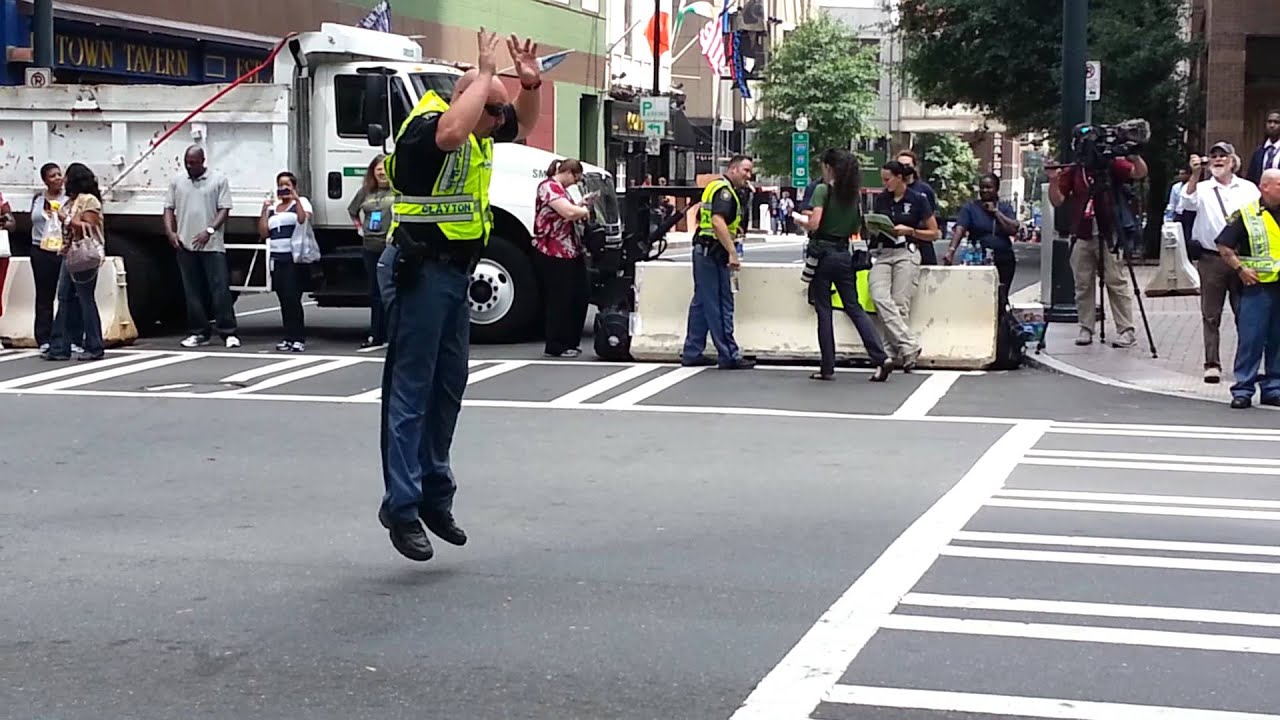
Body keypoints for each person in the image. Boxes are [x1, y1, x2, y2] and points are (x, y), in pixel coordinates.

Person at [375, 30, 544, 562]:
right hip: (420, 271)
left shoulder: (480, 130)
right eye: (494, 112)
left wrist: (529, 82)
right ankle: (401, 507)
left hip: (454, 275)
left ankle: (433, 495)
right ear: (473, 101)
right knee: (410, 393)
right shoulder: (427, 128)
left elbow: (526, 122)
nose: (501, 124)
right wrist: (487, 72)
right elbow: (451, 130)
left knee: (448, 389)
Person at [796, 148, 893, 382]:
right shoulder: (853, 195)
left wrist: (801, 221)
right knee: (854, 308)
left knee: (824, 311)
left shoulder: (822, 190)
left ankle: (827, 367)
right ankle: (880, 357)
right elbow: (856, 228)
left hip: (823, 254)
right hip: (844, 255)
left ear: (829, 167)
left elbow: (815, 223)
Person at [1047, 142, 1148, 348]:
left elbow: (1139, 174)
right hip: (1082, 233)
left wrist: (1134, 156)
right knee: (1083, 284)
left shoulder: (1111, 165)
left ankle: (1126, 330)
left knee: (1116, 281)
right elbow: (1057, 201)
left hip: (1109, 232)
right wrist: (1054, 180)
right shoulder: (1075, 171)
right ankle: (1086, 327)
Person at [1183, 143, 1259, 384]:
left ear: (1232, 161)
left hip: (1241, 258)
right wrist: (1195, 174)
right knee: (1211, 314)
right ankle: (1212, 363)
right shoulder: (1203, 188)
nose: (1217, 160)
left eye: (1222, 156)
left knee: (1245, 314)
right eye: (1214, 156)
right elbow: (1186, 202)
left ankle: (1246, 365)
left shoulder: (1248, 188)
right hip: (1211, 258)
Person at [680, 155, 756, 370]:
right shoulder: (724, 191)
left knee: (702, 302)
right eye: (746, 170)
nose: (748, 176)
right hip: (714, 252)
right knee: (720, 304)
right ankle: (728, 354)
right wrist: (732, 252)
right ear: (732, 169)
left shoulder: (717, 187)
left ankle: (692, 351)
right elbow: (717, 220)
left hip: (705, 250)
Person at [1214, 168, 1280, 409]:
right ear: (1265, 187)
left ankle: (1274, 388)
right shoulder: (1247, 214)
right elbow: (1224, 245)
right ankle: (1243, 388)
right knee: (1251, 340)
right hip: (1257, 288)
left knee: (1277, 340)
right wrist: (1240, 269)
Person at [165, 145, 238, 349]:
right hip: (185, 243)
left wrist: (210, 230)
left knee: (220, 289)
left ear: (203, 161)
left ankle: (228, 331)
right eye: (187, 162)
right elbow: (168, 208)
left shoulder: (218, 180)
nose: (190, 166)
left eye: (194, 163)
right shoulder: (177, 181)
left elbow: (224, 209)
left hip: (212, 245)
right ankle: (198, 331)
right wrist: (171, 232)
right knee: (192, 290)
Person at [869, 160, 939, 370]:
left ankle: (890, 355)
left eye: (888, 179)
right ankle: (909, 345)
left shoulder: (918, 199)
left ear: (899, 178)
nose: (885, 183)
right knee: (879, 296)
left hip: (906, 251)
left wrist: (911, 231)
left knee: (900, 303)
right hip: (883, 251)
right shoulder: (882, 199)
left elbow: (934, 233)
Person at [43, 163, 104, 362]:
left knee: (85, 299)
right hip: (69, 254)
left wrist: (66, 219)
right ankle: (60, 346)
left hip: (84, 255)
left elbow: (89, 226)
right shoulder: (71, 200)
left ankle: (94, 345)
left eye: (67, 176)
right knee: (64, 297)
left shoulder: (89, 200)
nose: (64, 180)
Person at [533, 158, 593, 358]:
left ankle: (570, 341)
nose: (575, 183)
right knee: (560, 298)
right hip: (553, 250)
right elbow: (566, 211)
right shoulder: (548, 187)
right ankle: (556, 344)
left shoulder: (559, 190)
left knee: (579, 294)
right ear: (568, 172)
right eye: (575, 178)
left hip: (569, 249)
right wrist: (583, 210)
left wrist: (580, 205)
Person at [258, 171, 312, 352]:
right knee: (283, 299)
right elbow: (264, 232)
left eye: (287, 185)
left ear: (294, 186)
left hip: (293, 258)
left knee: (292, 298)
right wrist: (264, 211)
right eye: (280, 185)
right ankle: (288, 337)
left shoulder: (301, 202)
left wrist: (295, 198)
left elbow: (303, 219)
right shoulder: (274, 208)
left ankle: (298, 337)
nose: (283, 188)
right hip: (277, 257)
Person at [944, 173, 1021, 300]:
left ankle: (1001, 317)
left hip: (1003, 258)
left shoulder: (1005, 207)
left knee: (1000, 296)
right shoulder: (970, 207)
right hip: (977, 258)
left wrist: (995, 212)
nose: (984, 190)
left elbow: (1013, 229)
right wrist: (951, 251)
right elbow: (960, 228)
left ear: (996, 189)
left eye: (988, 187)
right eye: (982, 187)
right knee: (977, 296)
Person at [348, 154, 393, 350]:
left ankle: (393, 333)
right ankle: (376, 334)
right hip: (369, 245)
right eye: (377, 169)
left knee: (391, 292)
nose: (381, 172)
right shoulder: (365, 192)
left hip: (390, 245)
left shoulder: (397, 192)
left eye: (384, 168)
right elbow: (352, 210)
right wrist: (358, 227)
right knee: (375, 292)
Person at [28, 163, 69, 352]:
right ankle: (43, 336)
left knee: (65, 294)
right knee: (44, 294)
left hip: (61, 249)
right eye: (53, 176)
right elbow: (34, 220)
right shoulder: (37, 198)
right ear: (45, 180)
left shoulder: (68, 199)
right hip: (40, 249)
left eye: (59, 174)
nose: (58, 178)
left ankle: (63, 335)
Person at [896, 149, 939, 265]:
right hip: (899, 243)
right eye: (901, 165)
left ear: (914, 166)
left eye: (907, 165)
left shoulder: (924, 190)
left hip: (922, 240)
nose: (904, 168)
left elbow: (932, 218)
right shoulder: (892, 190)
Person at [1245, 110, 1280, 185]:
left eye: (1276, 122)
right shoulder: (1258, 152)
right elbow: (1251, 178)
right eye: (1269, 122)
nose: (1272, 125)